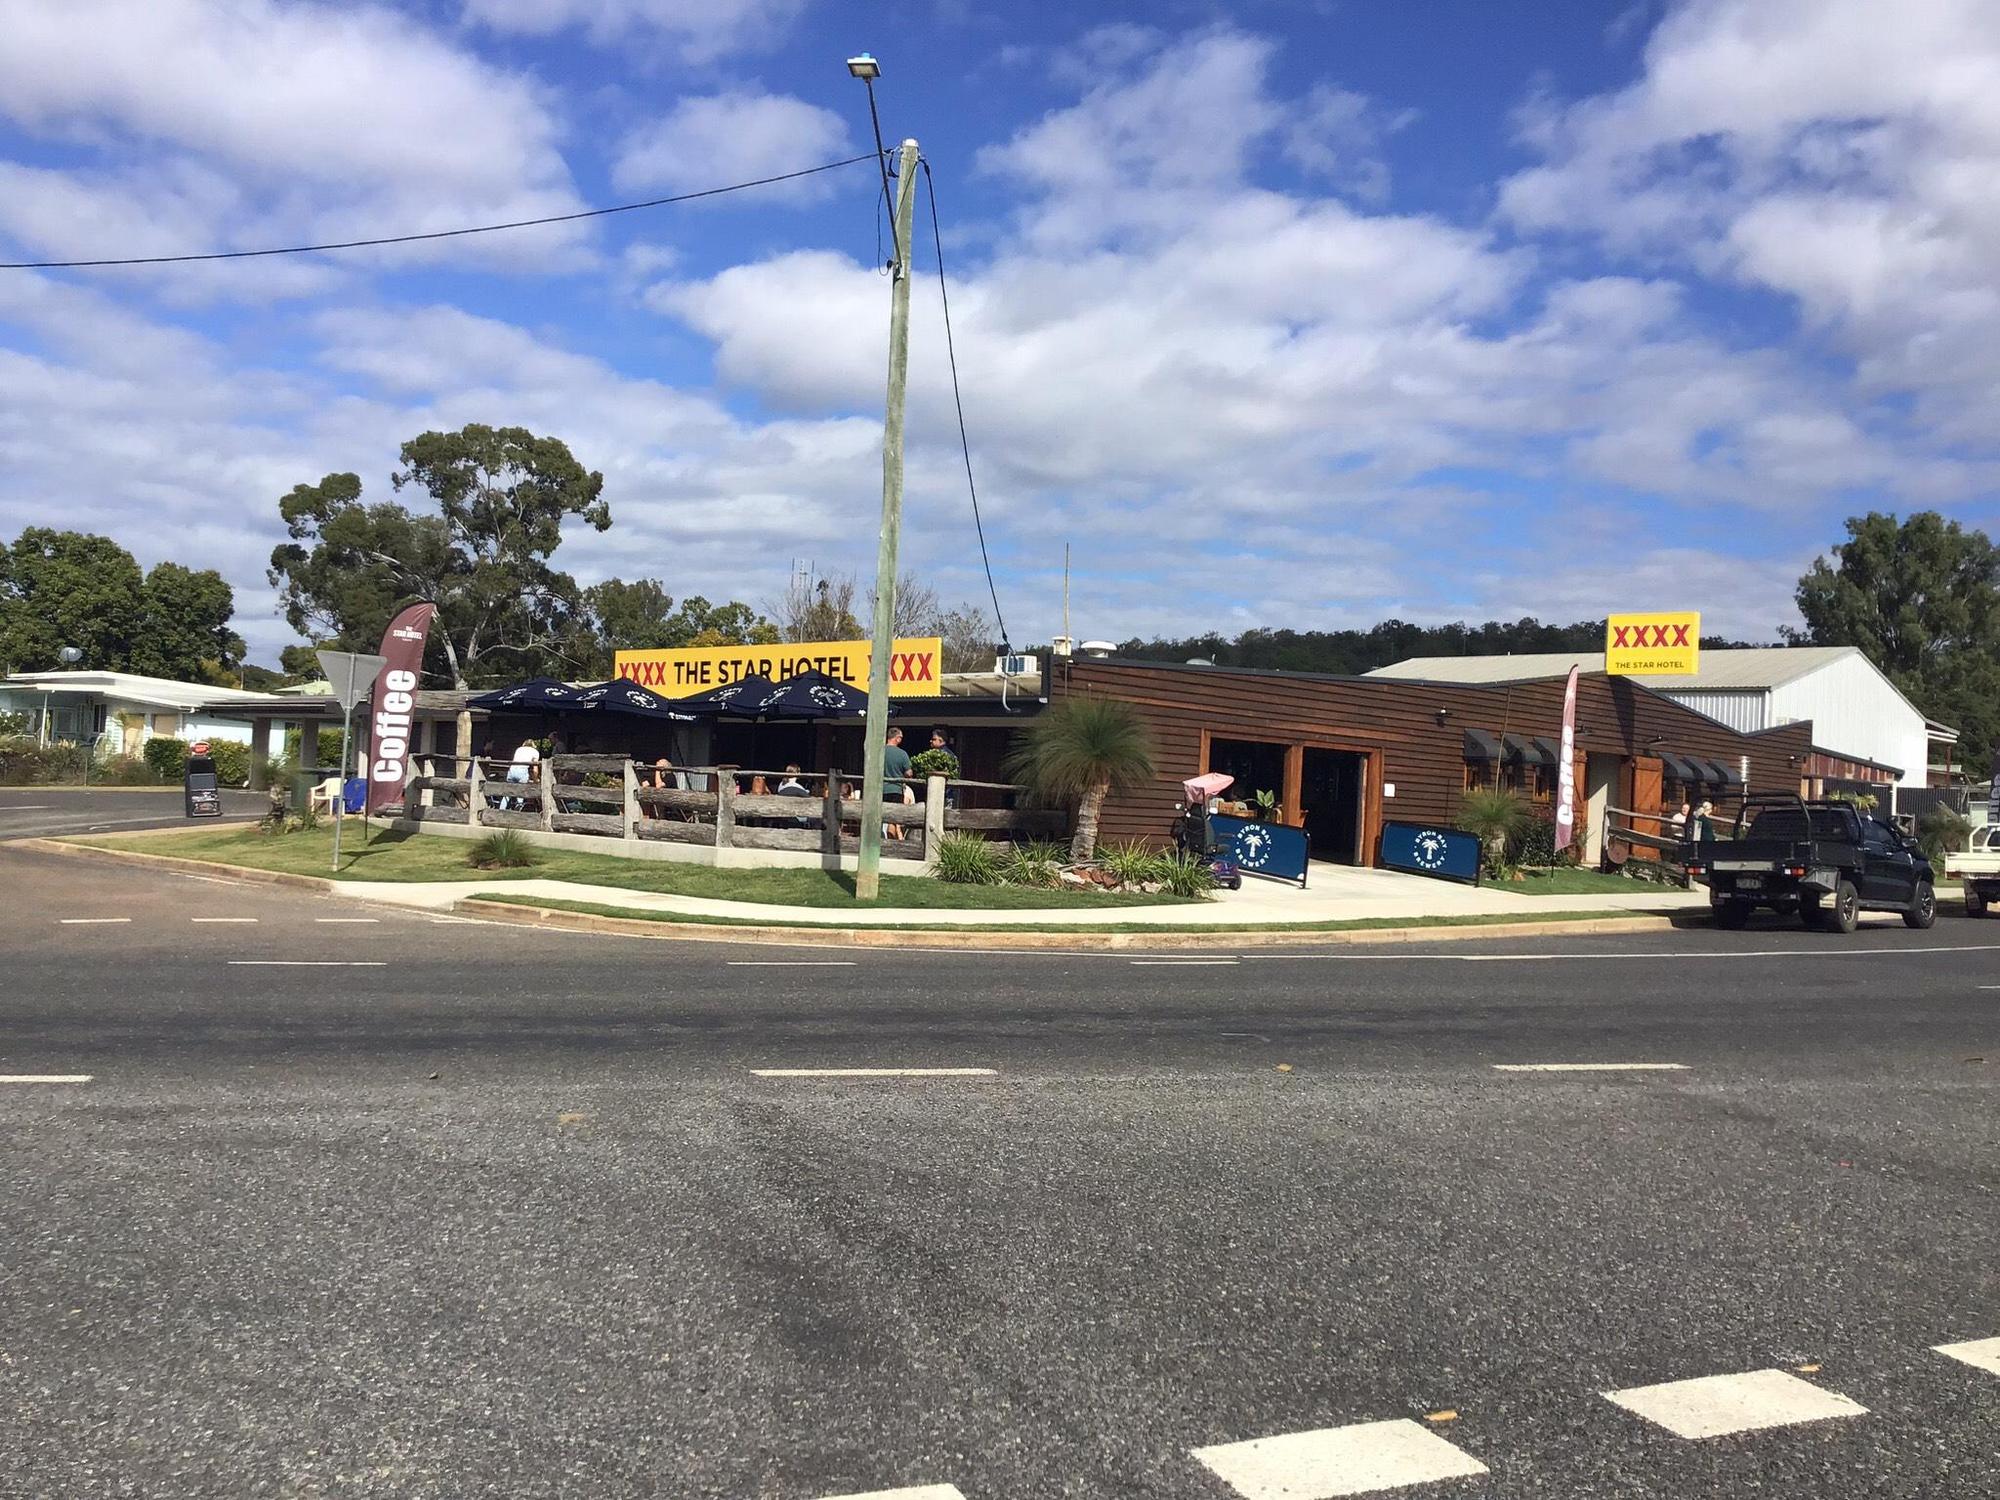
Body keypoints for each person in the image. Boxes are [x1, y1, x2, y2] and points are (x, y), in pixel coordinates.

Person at [882, 727, 914, 840]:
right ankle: (892, 844)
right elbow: (909, 773)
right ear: (898, 738)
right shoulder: (902, 754)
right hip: (895, 790)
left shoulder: (880, 752)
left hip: (880, 790)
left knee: (879, 817)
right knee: (893, 819)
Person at [505, 735, 540, 810]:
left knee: (507, 793)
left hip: (512, 770)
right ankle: (518, 812)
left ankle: (500, 810)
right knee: (521, 793)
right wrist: (535, 779)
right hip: (522, 770)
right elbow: (535, 768)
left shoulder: (519, 749)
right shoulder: (535, 752)